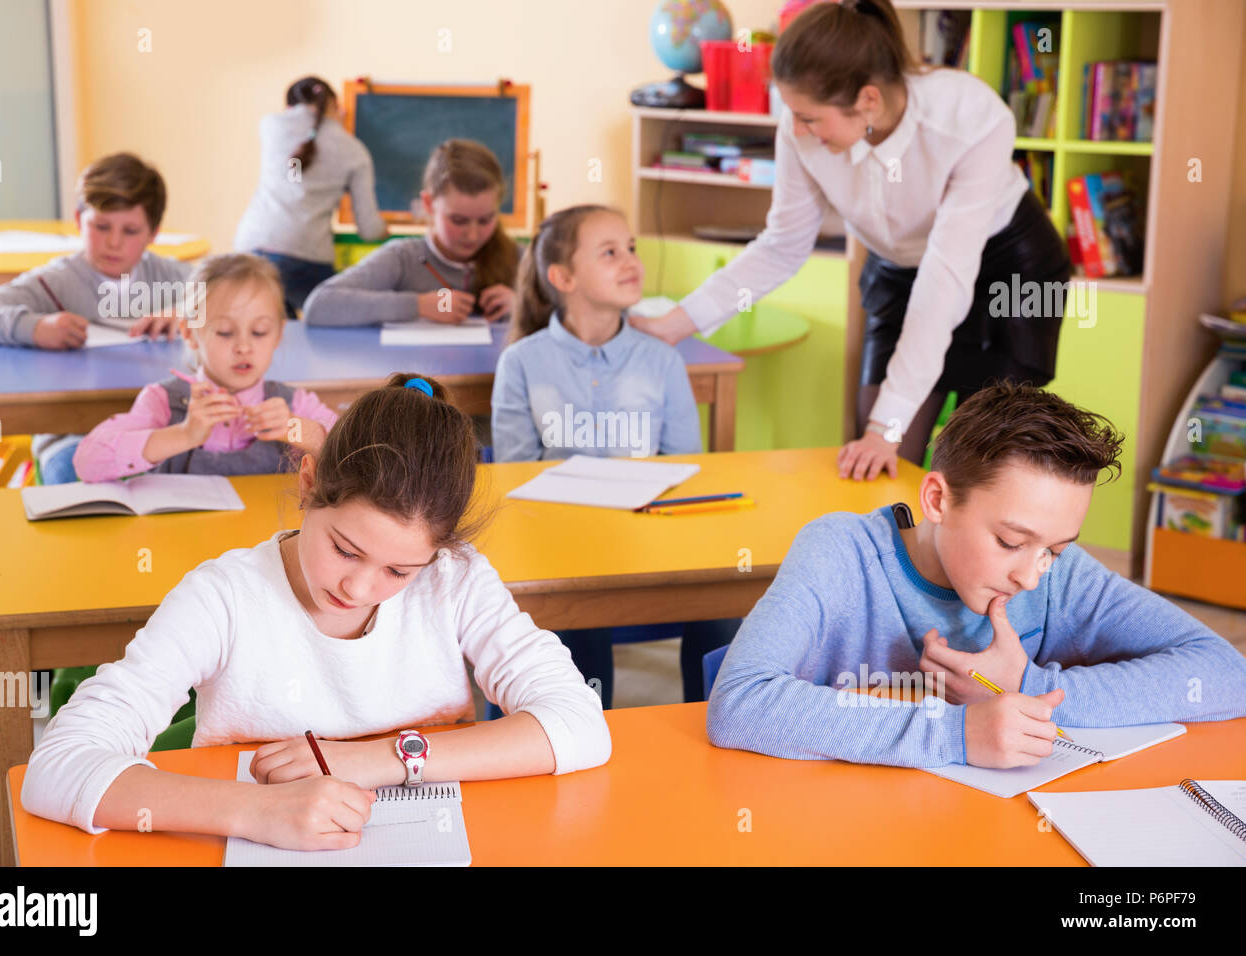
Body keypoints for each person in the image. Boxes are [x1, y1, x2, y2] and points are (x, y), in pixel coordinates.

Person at [22, 373, 612, 849]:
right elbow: (55, 767)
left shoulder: (454, 578)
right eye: (344, 550)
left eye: (397, 572)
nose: (358, 588)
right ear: (308, 485)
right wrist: (258, 810)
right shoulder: (223, 597)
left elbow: (581, 724)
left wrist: (372, 760)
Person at [630, 0, 1072, 484]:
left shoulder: (969, 117)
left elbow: (945, 278)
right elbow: (782, 245)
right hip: (900, 264)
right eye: (791, 112)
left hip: (1006, 267)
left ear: (867, 100)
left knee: (978, 456)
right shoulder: (801, 129)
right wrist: (676, 323)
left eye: (809, 118)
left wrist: (888, 425)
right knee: (876, 453)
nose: (796, 129)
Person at [707, 382, 1246, 768]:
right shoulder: (841, 554)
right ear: (938, 499)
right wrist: (956, 735)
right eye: (1011, 542)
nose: (1032, 577)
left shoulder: (1059, 576)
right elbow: (739, 703)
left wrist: (1027, 686)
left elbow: (1226, 674)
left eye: (1054, 550)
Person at [493, 204, 739, 707]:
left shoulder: (663, 360)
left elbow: (687, 469)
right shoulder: (521, 362)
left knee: (726, 607)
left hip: (650, 543)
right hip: (561, 548)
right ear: (562, 276)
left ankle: (721, 734)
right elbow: (513, 478)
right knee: (575, 632)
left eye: (631, 248)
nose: (631, 261)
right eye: (609, 252)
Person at [0, 152, 192, 483]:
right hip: (71, 434)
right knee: (74, 478)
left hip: (160, 432)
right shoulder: (55, 282)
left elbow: (243, 298)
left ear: (153, 233)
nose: (114, 242)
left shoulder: (174, 278)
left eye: (130, 230)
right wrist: (35, 327)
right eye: (101, 226)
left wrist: (189, 311)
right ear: (79, 221)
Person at [74, 253, 337, 480]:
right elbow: (87, 461)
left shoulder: (294, 403)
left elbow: (352, 452)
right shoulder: (164, 401)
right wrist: (184, 434)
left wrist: (294, 428)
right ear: (189, 333)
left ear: (279, 334)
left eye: (259, 332)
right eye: (224, 332)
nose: (243, 347)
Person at [303, 139, 519, 326]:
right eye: (458, 220)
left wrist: (522, 307)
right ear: (428, 203)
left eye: (485, 220)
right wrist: (418, 305)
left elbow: (550, 310)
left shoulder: (517, 259)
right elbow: (319, 305)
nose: (472, 235)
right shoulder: (403, 258)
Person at [233, 76, 386, 316]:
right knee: (333, 324)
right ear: (336, 106)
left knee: (270, 333)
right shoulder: (353, 151)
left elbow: (303, 141)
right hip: (307, 257)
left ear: (289, 107)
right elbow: (369, 229)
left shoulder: (270, 126)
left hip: (252, 248)